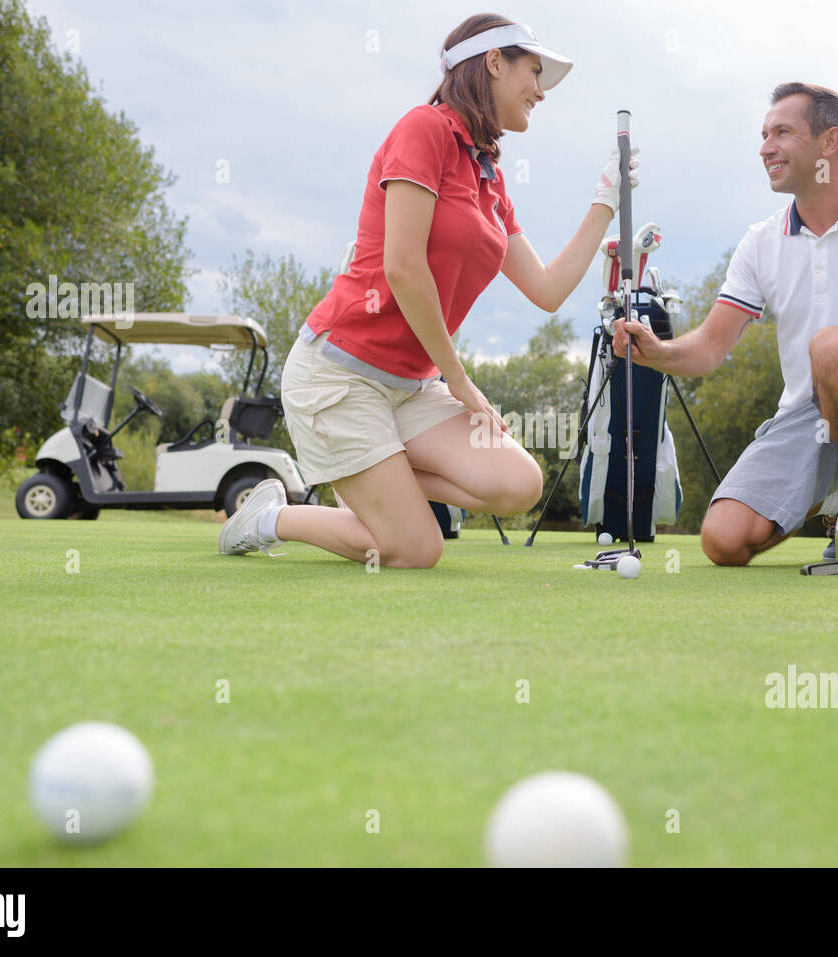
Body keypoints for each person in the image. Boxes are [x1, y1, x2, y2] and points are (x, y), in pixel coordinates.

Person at [219, 14, 638, 567]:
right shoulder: (425, 129)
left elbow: (547, 289)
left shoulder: (488, 176)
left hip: (409, 390)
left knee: (518, 483)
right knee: (414, 550)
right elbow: (403, 269)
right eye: (533, 72)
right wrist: (460, 381)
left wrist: (607, 198)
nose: (540, 91)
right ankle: (270, 517)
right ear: (494, 62)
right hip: (339, 376)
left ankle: (374, 482)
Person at [613, 82, 838, 571]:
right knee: (723, 542)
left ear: (828, 144)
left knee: (832, 345)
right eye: (764, 134)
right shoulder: (760, 242)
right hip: (808, 422)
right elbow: (709, 347)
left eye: (782, 132)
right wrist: (656, 352)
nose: (765, 147)